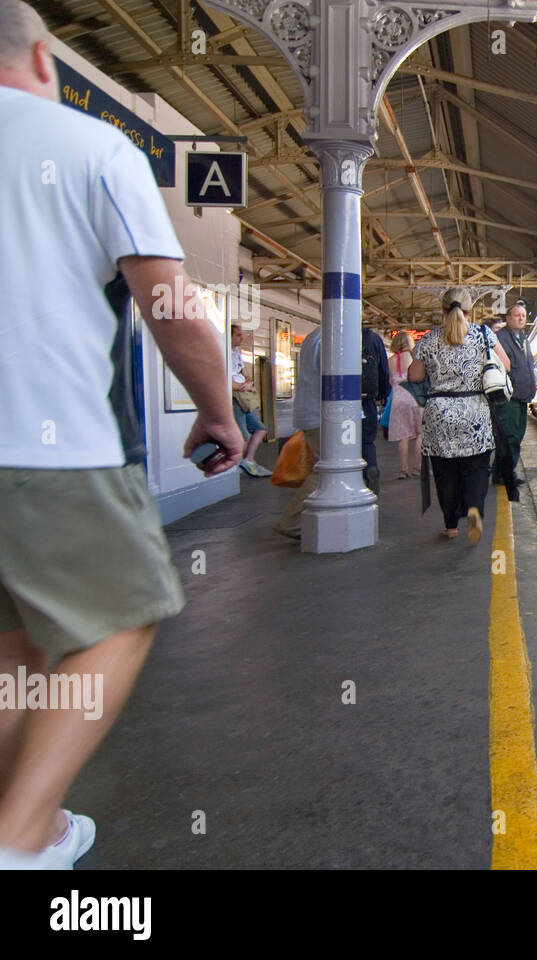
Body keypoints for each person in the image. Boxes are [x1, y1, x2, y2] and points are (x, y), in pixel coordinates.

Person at [0, 0, 244, 869]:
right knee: (124, 615)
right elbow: (172, 305)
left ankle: (32, 816)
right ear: (43, 63)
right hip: (49, 447)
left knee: (20, 641)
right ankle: (21, 841)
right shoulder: (93, 146)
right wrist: (219, 412)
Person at [407, 287, 511, 543]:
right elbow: (506, 366)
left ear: (443, 310)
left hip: (439, 414)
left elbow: (414, 376)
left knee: (445, 473)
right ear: (469, 310)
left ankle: (451, 526)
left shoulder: (429, 339)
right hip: (475, 412)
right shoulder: (484, 335)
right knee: (476, 470)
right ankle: (474, 510)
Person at [273, 325, 321, 540]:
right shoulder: (331, 337)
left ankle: (309, 517)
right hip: (323, 414)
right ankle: (291, 521)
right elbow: (333, 375)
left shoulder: (313, 337)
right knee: (326, 469)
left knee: (323, 467)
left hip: (312, 411)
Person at [492, 301, 537, 490]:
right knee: (510, 436)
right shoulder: (500, 338)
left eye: (524, 315)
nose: (521, 318)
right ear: (508, 318)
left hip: (522, 397)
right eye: (517, 315)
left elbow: (530, 365)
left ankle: (501, 473)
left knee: (516, 436)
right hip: (508, 398)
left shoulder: (524, 340)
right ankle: (505, 474)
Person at [230, 325, 272, 477]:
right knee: (242, 436)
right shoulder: (223, 353)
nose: (241, 337)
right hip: (234, 398)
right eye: (238, 335)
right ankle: (235, 468)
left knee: (260, 429)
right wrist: (243, 386)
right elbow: (223, 380)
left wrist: (247, 380)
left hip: (244, 397)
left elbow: (242, 373)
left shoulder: (237, 352)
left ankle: (249, 459)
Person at [386, 331, 422, 479]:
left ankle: (403, 469)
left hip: (398, 399)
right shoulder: (414, 357)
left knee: (403, 436)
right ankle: (418, 468)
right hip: (416, 397)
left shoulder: (391, 360)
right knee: (421, 433)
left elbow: (389, 382)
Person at [360, 325, 391, 492]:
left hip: (339, 400)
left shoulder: (333, 334)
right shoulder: (373, 339)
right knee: (367, 439)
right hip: (367, 399)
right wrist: (382, 395)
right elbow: (383, 370)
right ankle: (371, 466)